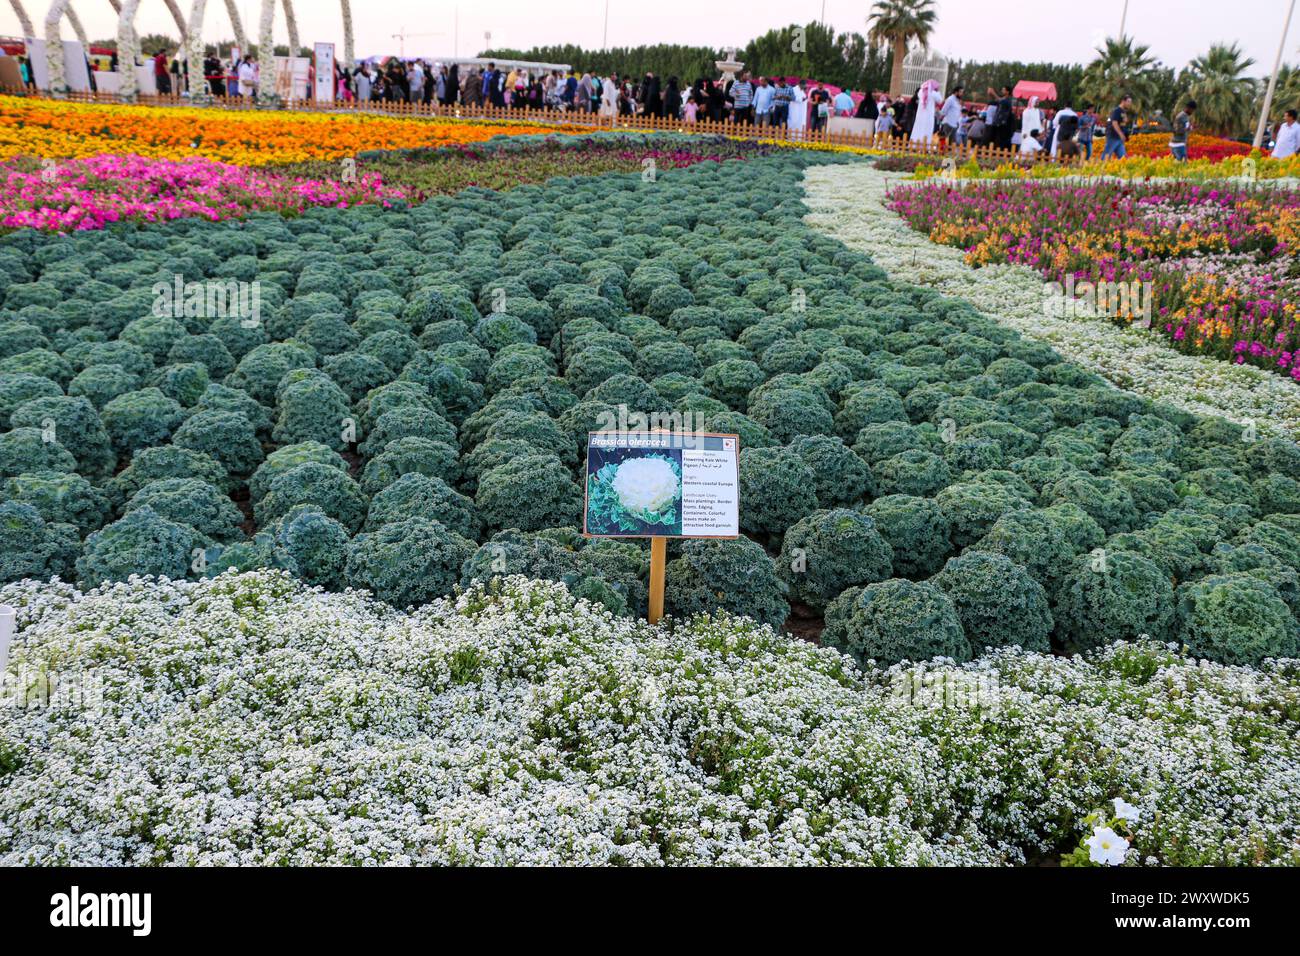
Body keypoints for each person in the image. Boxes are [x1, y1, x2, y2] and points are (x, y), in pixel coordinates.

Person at [910, 79, 940, 143]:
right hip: (929, 116)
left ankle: (915, 144)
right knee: (927, 130)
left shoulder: (921, 91)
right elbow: (940, 100)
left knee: (918, 129)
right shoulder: (933, 93)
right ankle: (925, 145)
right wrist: (937, 91)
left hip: (920, 115)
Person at [1102, 94, 1132, 159]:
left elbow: (1122, 123)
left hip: (1119, 138)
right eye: (1128, 101)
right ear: (1123, 101)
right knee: (1106, 157)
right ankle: (1099, 168)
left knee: (1123, 158)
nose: (1130, 104)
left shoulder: (1123, 111)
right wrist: (1121, 134)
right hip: (1113, 137)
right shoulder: (1117, 110)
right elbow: (1114, 123)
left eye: (1130, 102)